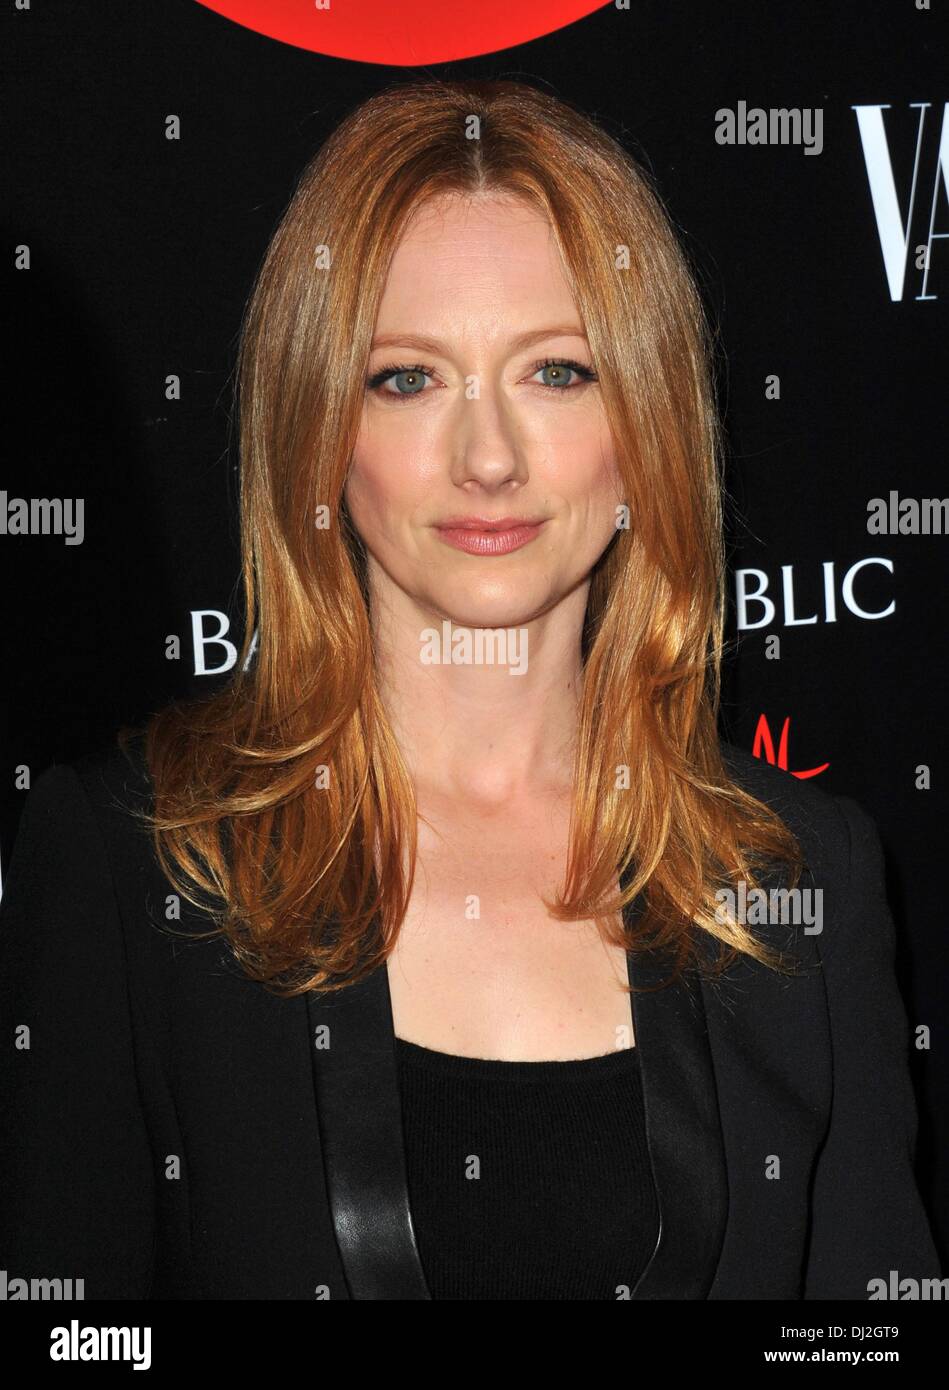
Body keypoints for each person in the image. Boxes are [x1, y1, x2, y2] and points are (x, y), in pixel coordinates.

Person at [0, 79, 940, 1301]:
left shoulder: (792, 877)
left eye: (556, 372)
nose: (488, 458)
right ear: (318, 424)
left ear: (646, 418)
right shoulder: (144, 863)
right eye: (408, 379)